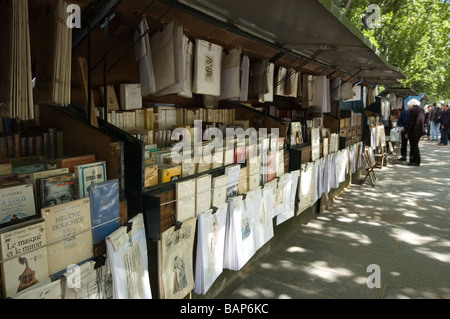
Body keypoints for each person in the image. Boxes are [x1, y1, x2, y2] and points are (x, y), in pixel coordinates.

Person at [404, 98, 425, 166]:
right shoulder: (421, 110)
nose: (408, 107)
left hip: (413, 131)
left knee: (413, 146)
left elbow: (410, 122)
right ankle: (414, 160)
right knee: (415, 146)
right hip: (419, 131)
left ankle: (415, 161)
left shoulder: (412, 111)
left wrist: (407, 132)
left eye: (409, 106)